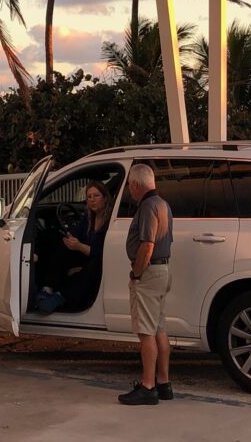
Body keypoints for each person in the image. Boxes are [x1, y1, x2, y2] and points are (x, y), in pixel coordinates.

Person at [119, 163, 172, 405]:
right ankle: (164, 383)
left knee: (146, 333)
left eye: (130, 184)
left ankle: (148, 386)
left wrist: (137, 273)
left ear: (136, 184)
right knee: (159, 328)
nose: (130, 189)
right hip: (162, 271)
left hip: (149, 274)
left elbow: (147, 244)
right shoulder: (163, 204)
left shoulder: (148, 206)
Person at [34, 182, 110, 313]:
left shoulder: (110, 219)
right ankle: (47, 288)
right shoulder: (88, 217)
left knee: (94, 263)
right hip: (85, 256)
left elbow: (102, 252)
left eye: (96, 196)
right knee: (60, 244)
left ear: (105, 198)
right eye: (89, 196)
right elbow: (76, 233)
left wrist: (79, 246)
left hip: (99, 261)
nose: (92, 200)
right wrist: (70, 238)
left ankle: (61, 296)